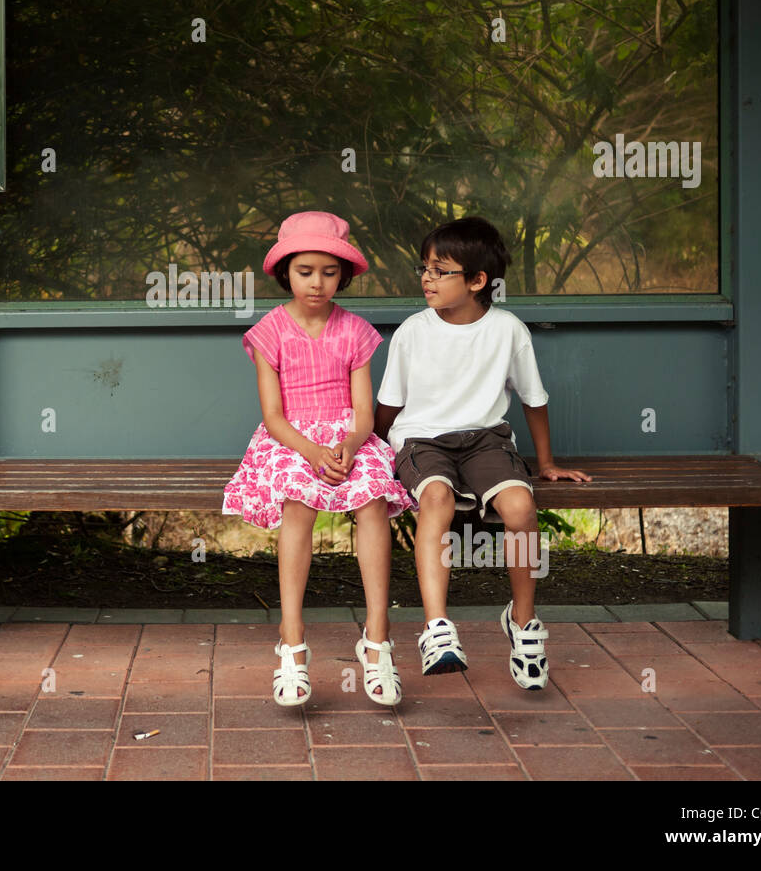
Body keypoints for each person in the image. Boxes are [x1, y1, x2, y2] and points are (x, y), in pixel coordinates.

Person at [375, 216, 591, 690]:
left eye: (439, 269)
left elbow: (534, 399)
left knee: (520, 510)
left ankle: (524, 622)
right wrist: (372, 453)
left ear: (476, 281)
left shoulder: (508, 329)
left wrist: (547, 463)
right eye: (424, 268)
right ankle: (437, 627)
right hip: (422, 440)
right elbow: (389, 405)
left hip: (486, 439)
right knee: (437, 499)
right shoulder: (413, 331)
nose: (426, 278)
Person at [223, 211, 410, 707]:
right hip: (290, 439)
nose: (317, 283)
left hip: (348, 435)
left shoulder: (355, 332)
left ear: (342, 276)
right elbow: (273, 414)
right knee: (299, 505)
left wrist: (349, 447)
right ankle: (292, 643)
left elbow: (366, 413)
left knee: (372, 500)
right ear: (286, 271)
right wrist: (311, 452)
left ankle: (377, 639)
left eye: (329, 273)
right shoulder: (270, 332)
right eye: (305, 271)